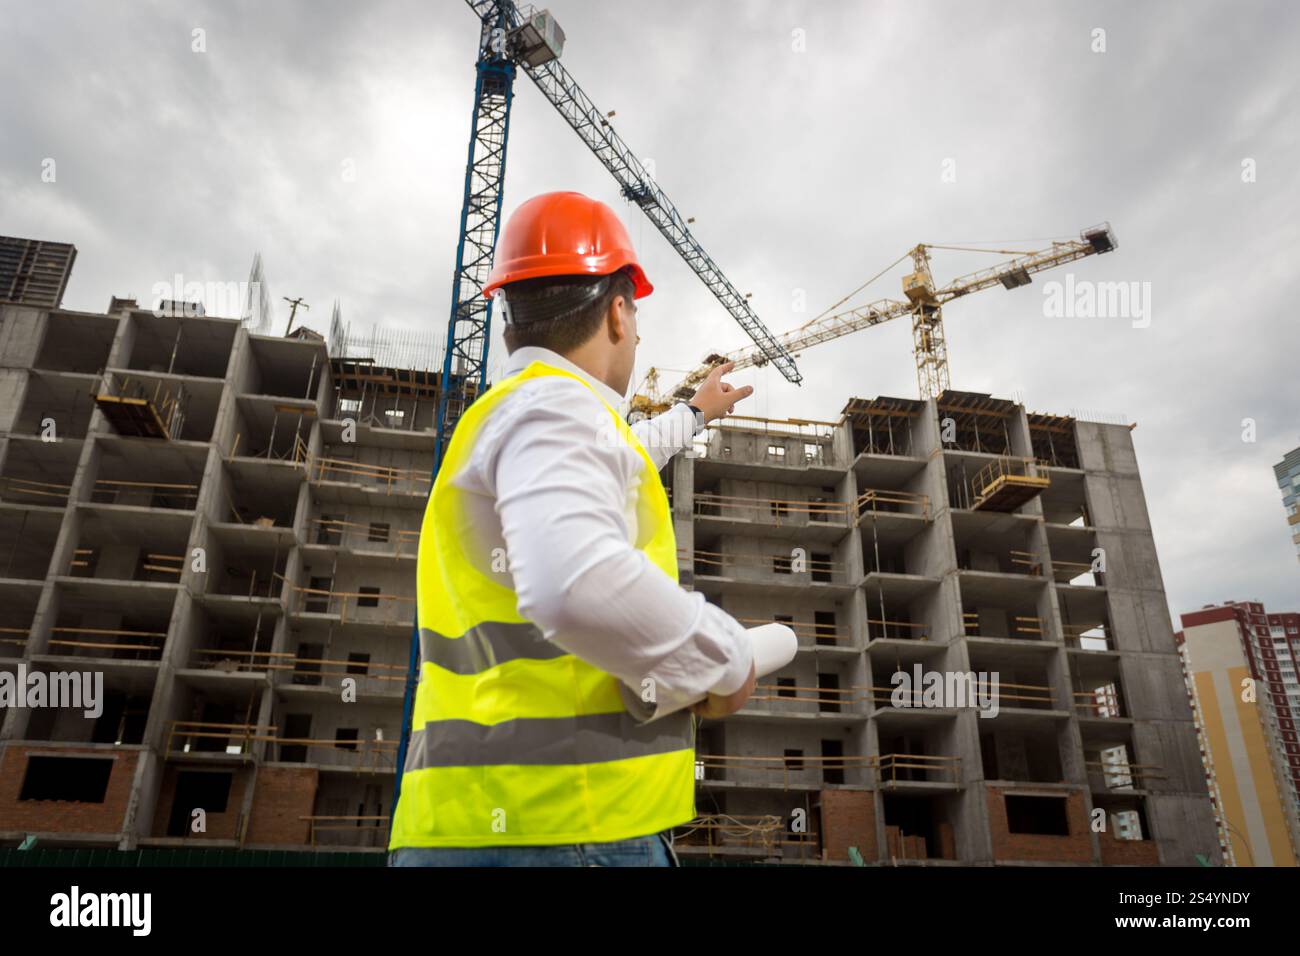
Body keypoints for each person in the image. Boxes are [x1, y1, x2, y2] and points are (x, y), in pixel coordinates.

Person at [388, 190, 757, 867]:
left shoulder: (515, 413)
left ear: (509, 324)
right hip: (565, 828)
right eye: (636, 314)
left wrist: (695, 413)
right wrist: (721, 656)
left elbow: (618, 456)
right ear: (618, 313)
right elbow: (573, 583)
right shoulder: (557, 408)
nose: (638, 333)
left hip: (479, 824)